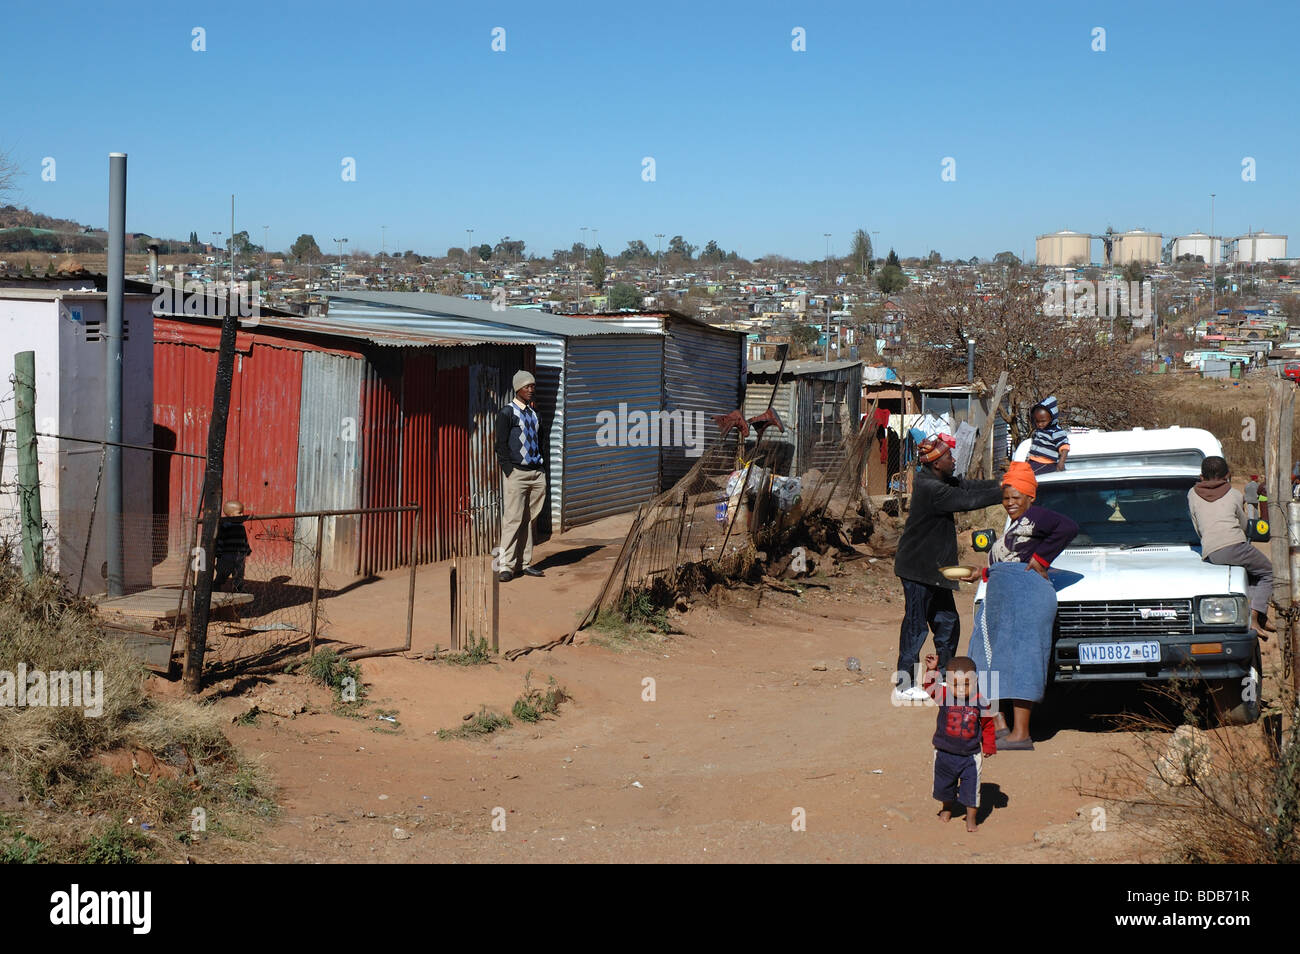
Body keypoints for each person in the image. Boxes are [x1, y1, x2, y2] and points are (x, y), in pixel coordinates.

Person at [971, 462, 1079, 750]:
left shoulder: (1036, 516)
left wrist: (1043, 559)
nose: (1009, 503)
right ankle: (999, 723)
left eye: (1016, 497)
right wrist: (982, 573)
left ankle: (1021, 734)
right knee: (985, 656)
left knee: (1021, 662)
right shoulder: (1017, 525)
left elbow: (1069, 526)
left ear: (1031, 497)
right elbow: (1010, 561)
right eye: (1006, 497)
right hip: (1003, 600)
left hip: (1027, 599)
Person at [892, 435, 1003, 701]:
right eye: (949, 458)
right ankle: (904, 685)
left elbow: (968, 486)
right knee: (916, 626)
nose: (953, 461)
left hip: (936, 570)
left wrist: (1001, 483)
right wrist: (1005, 492)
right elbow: (966, 500)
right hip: (918, 569)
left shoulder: (939, 480)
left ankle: (942, 677)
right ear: (937, 464)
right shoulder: (931, 487)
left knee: (948, 623)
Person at [1187, 456, 1274, 637]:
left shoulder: (1192, 494)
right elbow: (1243, 525)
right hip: (1234, 545)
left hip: (1211, 552)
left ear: (1201, 476)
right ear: (1227, 475)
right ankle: (1256, 616)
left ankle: (1256, 612)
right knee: (1268, 572)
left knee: (1249, 573)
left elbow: (1197, 526)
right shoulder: (1234, 494)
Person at [923, 654, 996, 833]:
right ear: (948, 683)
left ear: (975, 680)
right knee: (944, 785)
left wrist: (989, 745)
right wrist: (932, 670)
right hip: (944, 753)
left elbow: (987, 725)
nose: (962, 689)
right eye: (956, 684)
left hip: (970, 756)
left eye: (966, 684)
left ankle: (971, 818)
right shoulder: (944, 696)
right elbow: (930, 687)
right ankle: (947, 808)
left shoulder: (980, 701)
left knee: (972, 790)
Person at [495, 370, 547, 583]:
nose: (531, 390)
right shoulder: (507, 413)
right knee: (513, 519)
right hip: (516, 473)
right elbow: (500, 444)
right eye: (527, 386)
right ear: (518, 388)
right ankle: (504, 566)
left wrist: (542, 468)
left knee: (528, 520)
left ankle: (523, 563)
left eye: (533, 386)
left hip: (536, 474)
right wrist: (509, 469)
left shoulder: (535, 414)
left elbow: (540, 440)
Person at [1026, 396, 1071, 476]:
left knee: (1027, 476)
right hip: (1033, 462)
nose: (1040, 424)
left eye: (1043, 421)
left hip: (1046, 464)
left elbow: (1065, 447)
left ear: (1052, 418)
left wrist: (1061, 463)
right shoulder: (1039, 431)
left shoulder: (1056, 432)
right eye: (1037, 421)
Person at [213, 500, 251, 592]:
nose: (242, 515)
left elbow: (244, 538)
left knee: (239, 573)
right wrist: (218, 551)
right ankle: (216, 585)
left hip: (240, 555)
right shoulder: (225, 525)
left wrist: (247, 548)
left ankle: (238, 588)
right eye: (239, 512)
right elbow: (220, 539)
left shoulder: (241, 525)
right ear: (231, 514)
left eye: (242, 512)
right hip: (226, 555)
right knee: (223, 573)